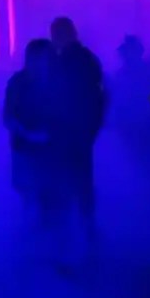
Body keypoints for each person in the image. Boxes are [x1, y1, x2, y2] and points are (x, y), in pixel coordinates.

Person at [47, 16, 106, 245]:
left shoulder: (62, 61)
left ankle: (70, 232)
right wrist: (93, 127)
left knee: (66, 181)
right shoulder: (86, 59)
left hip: (67, 131)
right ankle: (85, 227)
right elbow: (99, 96)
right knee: (82, 182)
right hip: (80, 131)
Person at [3, 39, 54, 212]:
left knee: (49, 196)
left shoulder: (56, 82)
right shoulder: (18, 83)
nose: (40, 62)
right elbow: (8, 115)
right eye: (37, 58)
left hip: (50, 149)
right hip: (25, 148)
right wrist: (25, 133)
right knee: (28, 196)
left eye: (44, 58)